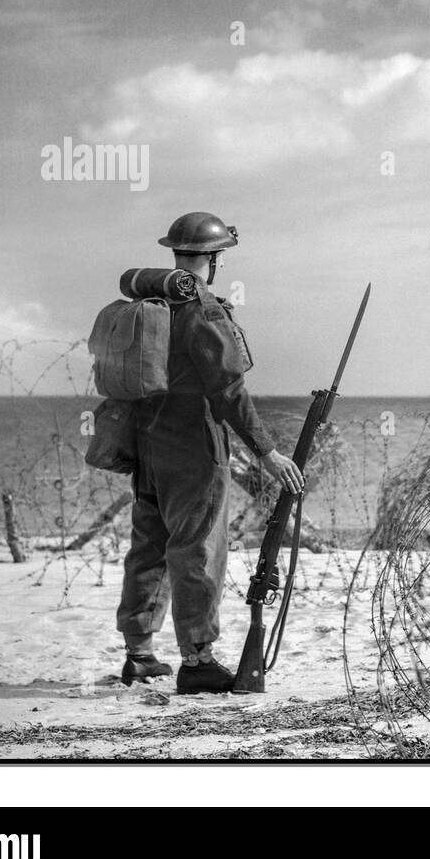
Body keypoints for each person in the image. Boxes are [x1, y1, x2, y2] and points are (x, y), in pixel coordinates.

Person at [118, 212, 303, 693]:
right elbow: (228, 391)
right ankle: (198, 660)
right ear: (215, 259)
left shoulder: (153, 304)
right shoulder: (204, 311)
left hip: (148, 444)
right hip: (195, 447)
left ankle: (138, 654)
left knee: (149, 549)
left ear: (176, 254)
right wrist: (267, 452)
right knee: (199, 550)